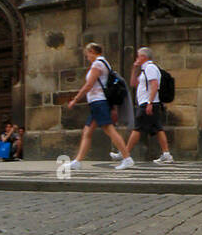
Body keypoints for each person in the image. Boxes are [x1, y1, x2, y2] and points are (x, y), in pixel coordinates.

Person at [64, 42, 132, 170]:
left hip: (99, 101)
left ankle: (127, 158)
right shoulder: (103, 63)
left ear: (92, 52)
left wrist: (75, 99)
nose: (87, 57)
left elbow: (89, 85)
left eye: (87, 54)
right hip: (97, 102)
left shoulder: (98, 64)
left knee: (109, 130)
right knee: (87, 131)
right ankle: (77, 161)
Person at [127, 44, 172, 164]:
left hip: (148, 103)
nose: (136, 58)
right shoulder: (144, 69)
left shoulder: (150, 68)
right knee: (158, 128)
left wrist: (150, 102)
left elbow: (154, 85)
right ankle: (166, 154)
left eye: (138, 56)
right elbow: (133, 83)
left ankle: (125, 154)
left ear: (143, 56)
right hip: (147, 102)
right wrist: (134, 68)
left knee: (137, 128)